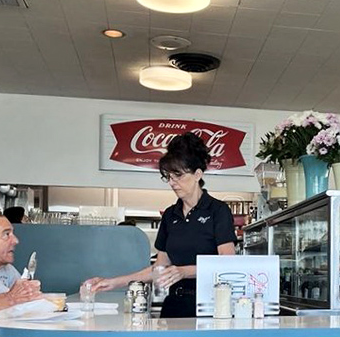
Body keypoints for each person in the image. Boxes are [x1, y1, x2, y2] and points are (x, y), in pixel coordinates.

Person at [85, 133, 237, 318]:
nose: (172, 182)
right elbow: (160, 268)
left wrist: (184, 271)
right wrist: (114, 282)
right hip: (174, 305)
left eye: (178, 175)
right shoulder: (170, 215)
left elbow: (228, 264)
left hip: (210, 307)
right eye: (168, 176)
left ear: (198, 174)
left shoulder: (217, 211)